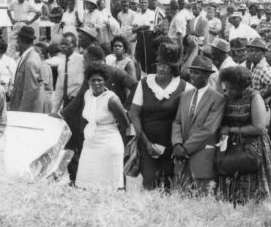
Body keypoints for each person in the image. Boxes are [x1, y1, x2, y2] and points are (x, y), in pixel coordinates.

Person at [129, 41, 191, 190]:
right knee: (149, 180)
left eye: (166, 66)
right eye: (159, 65)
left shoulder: (185, 87)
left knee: (167, 183)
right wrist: (145, 142)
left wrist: (179, 144)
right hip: (147, 142)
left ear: (174, 69)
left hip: (172, 146)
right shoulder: (144, 84)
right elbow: (134, 114)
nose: (161, 69)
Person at [218, 66, 271, 203]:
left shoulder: (254, 97)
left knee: (253, 183)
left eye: (232, 88)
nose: (228, 91)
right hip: (232, 146)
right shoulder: (227, 97)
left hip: (252, 147)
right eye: (226, 88)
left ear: (242, 86)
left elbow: (259, 128)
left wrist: (231, 130)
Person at [171, 56, 225, 193]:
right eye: (191, 72)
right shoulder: (185, 95)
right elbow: (177, 122)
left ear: (207, 75)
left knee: (202, 199)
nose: (192, 75)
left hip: (201, 156)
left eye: (196, 72)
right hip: (181, 157)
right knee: (180, 197)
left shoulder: (217, 99)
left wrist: (185, 149)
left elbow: (209, 129)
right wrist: (177, 144)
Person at [75, 63, 129, 191]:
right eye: (93, 80)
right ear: (88, 81)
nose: (96, 83)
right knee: (86, 181)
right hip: (91, 142)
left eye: (100, 80)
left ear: (105, 81)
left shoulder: (112, 99)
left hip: (109, 143)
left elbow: (125, 123)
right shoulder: (87, 94)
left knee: (109, 186)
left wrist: (109, 131)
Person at [9, 26, 45, 113]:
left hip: (26, 111)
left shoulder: (30, 61)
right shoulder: (27, 56)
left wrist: (22, 114)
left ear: (20, 41)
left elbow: (30, 92)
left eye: (17, 40)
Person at [52, 33, 85, 113]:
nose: (63, 46)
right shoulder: (61, 65)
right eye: (62, 44)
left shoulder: (82, 60)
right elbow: (59, 88)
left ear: (75, 45)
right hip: (67, 102)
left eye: (67, 44)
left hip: (79, 101)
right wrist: (54, 110)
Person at [133, 0, 165, 74]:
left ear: (147, 4)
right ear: (139, 4)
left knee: (150, 59)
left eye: (145, 2)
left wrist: (139, 27)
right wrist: (141, 27)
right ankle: (145, 76)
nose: (143, 4)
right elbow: (133, 29)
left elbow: (148, 26)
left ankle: (152, 76)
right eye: (142, 2)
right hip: (140, 37)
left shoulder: (152, 13)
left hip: (150, 37)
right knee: (140, 57)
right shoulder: (137, 14)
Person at [34, 42, 54, 113]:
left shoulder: (43, 66)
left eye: (37, 52)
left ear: (43, 54)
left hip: (45, 100)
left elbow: (43, 85)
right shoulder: (41, 64)